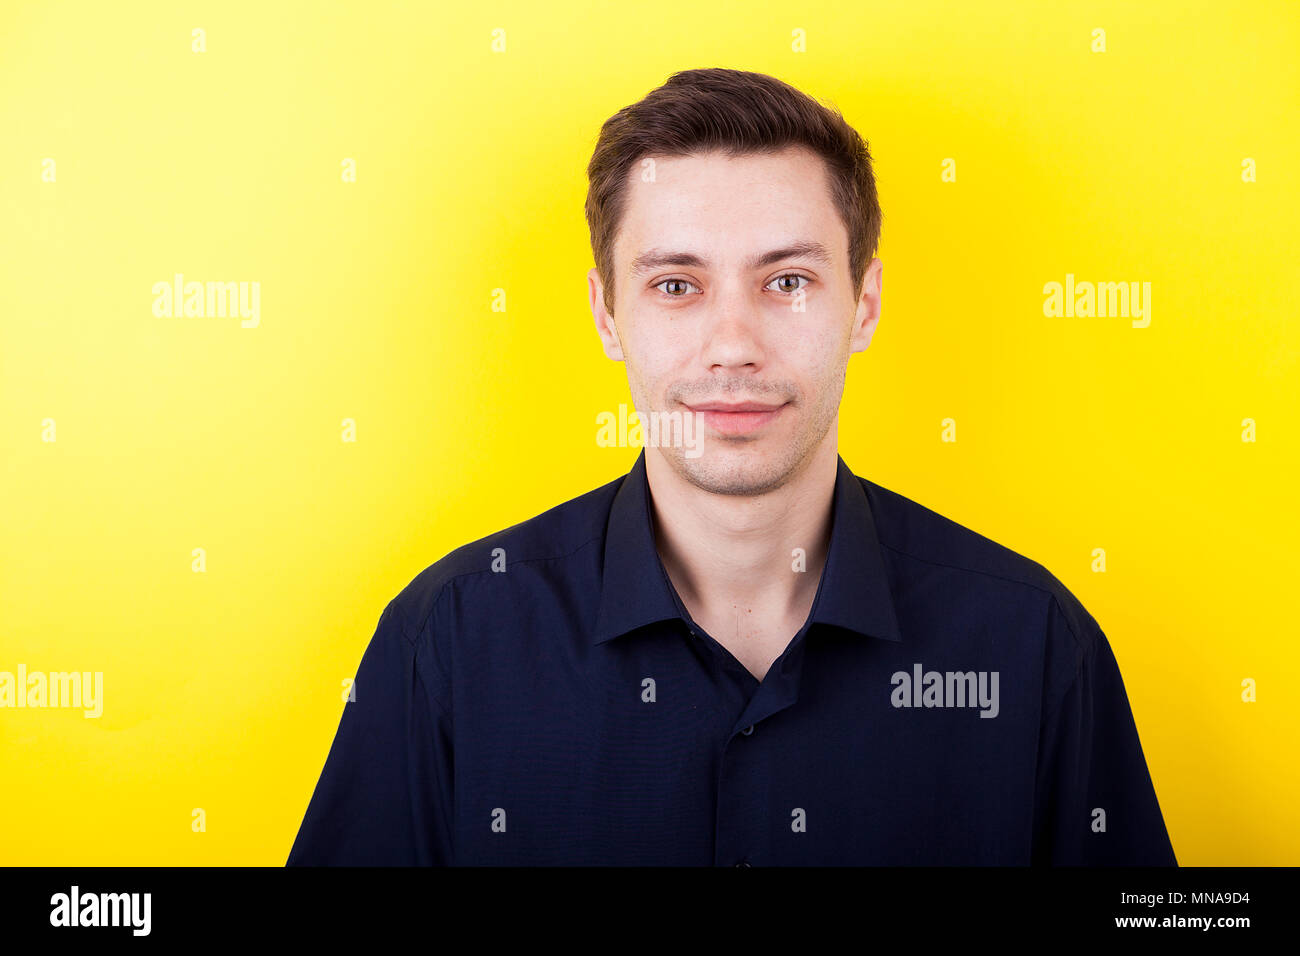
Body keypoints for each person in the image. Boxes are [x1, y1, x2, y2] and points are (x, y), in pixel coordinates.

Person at [286, 67, 1177, 866]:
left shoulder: (1035, 648)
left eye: (786, 280)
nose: (733, 346)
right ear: (607, 315)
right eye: (677, 285)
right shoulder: (447, 644)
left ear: (863, 305)